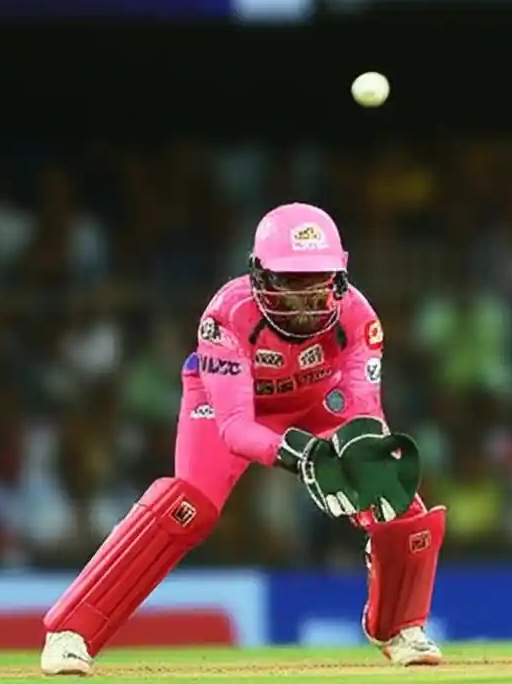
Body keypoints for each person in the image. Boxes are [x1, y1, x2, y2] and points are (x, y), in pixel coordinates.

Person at [39, 202, 448, 675]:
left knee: (394, 498)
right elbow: (235, 427)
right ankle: (71, 633)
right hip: (224, 407)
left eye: (316, 281)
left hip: (315, 406)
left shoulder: (359, 318)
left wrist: (362, 451)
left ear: (338, 277)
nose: (305, 299)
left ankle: (399, 629)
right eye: (291, 282)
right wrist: (302, 454)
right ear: (259, 275)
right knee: (185, 506)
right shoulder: (227, 315)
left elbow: (363, 409)